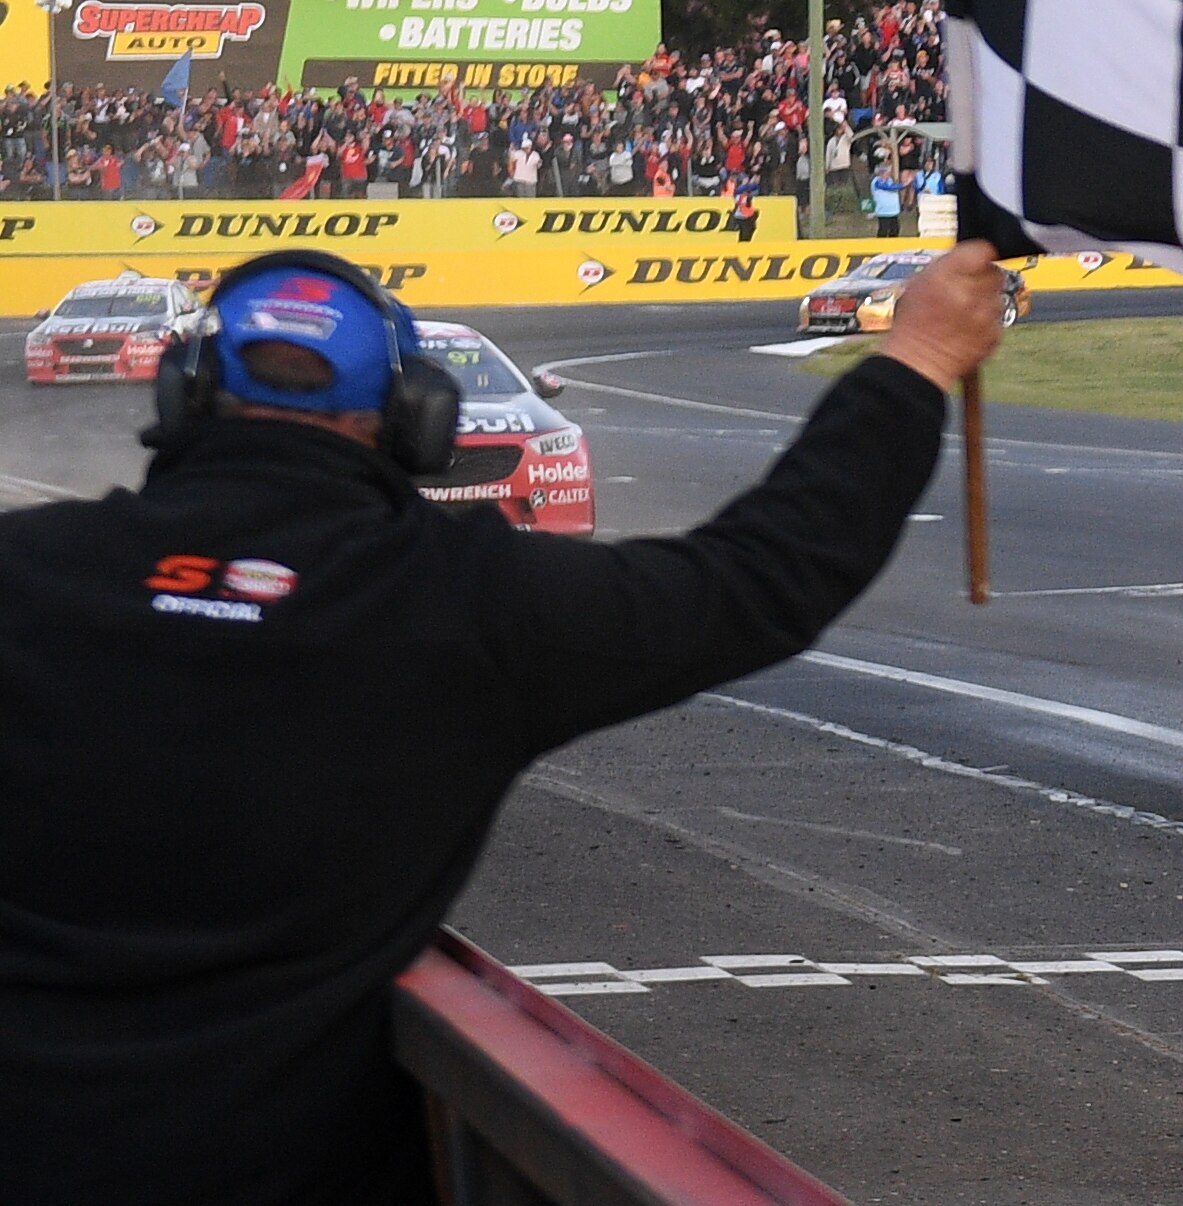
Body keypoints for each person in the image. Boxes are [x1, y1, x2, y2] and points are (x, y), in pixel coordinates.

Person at [0, 241, 1008, 1204]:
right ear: (413, 421)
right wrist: (915, 358)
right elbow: (762, 576)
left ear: (183, 396)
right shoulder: (464, 602)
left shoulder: (25, 568)